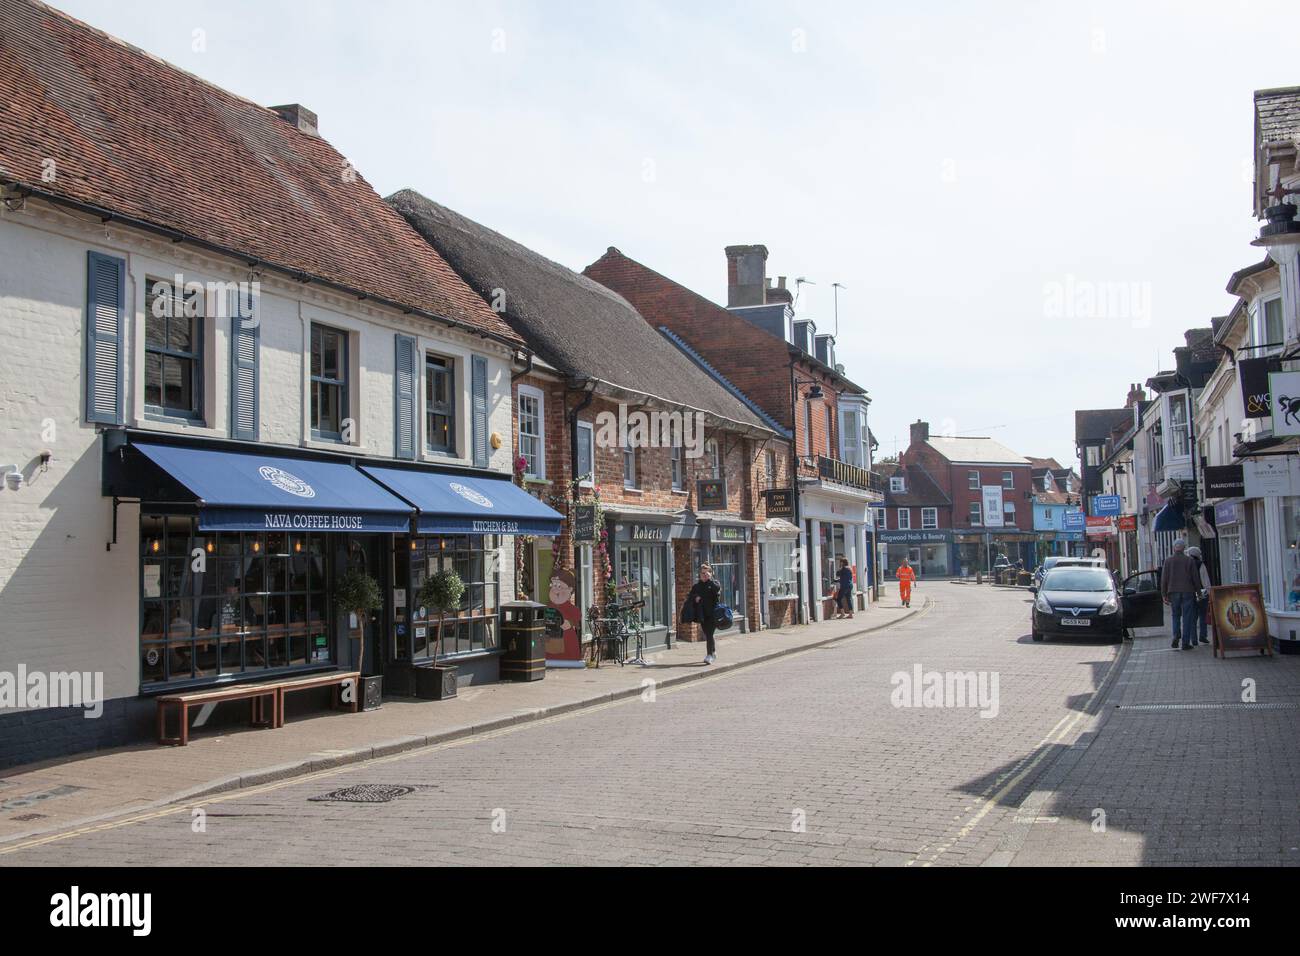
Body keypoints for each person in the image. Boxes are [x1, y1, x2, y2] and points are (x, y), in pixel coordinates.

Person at [1160, 538, 1201, 650]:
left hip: (1173, 592)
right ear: (1184, 548)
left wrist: (1164, 594)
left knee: (1175, 615)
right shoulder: (1189, 561)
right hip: (1188, 591)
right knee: (1187, 617)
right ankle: (1185, 643)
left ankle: (1176, 635)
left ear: (1174, 548)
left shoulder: (1168, 561)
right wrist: (1199, 592)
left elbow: (1164, 579)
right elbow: (1195, 578)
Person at [688, 563, 721, 664]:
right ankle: (713, 652)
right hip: (702, 614)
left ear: (710, 573)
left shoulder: (714, 583)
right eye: (702, 573)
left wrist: (710, 580)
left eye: (706, 573)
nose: (704, 575)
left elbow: (717, 591)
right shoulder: (697, 586)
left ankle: (709, 655)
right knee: (708, 634)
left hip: (713, 614)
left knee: (709, 634)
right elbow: (690, 596)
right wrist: (695, 598)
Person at [1185, 546, 1213, 645]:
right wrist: (1209, 592)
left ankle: (1194, 639)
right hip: (1201, 593)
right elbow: (1205, 580)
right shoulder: (1200, 564)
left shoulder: (1185, 564)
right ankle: (1203, 635)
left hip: (1189, 593)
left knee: (1193, 617)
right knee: (1203, 615)